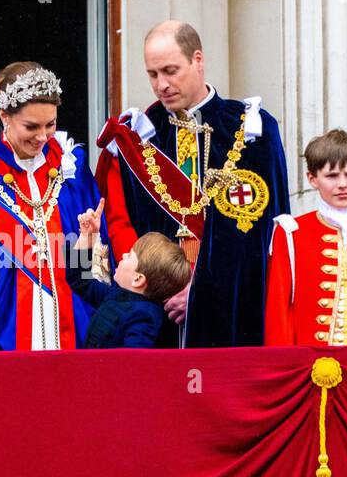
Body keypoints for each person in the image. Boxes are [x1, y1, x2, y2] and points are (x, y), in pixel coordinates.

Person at [95, 20, 289, 347]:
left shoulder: (252, 129)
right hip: (157, 319)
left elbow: (263, 239)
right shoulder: (142, 137)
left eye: (171, 71)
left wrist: (201, 294)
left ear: (198, 60)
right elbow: (125, 230)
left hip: (232, 317)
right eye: (153, 74)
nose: (162, 85)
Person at [0, 61, 110, 351]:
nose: (42, 137)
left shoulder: (71, 169)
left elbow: (96, 265)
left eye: (50, 125)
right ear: (4, 115)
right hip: (5, 336)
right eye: (31, 126)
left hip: (76, 333)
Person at [264, 129, 347, 346]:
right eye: (331, 176)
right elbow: (279, 312)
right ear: (312, 179)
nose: (342, 184)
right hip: (314, 364)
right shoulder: (291, 232)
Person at [65, 198, 190, 349]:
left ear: (138, 279)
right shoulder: (114, 295)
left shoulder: (145, 317)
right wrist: (88, 237)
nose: (123, 256)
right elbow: (78, 280)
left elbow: (131, 362)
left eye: (130, 256)